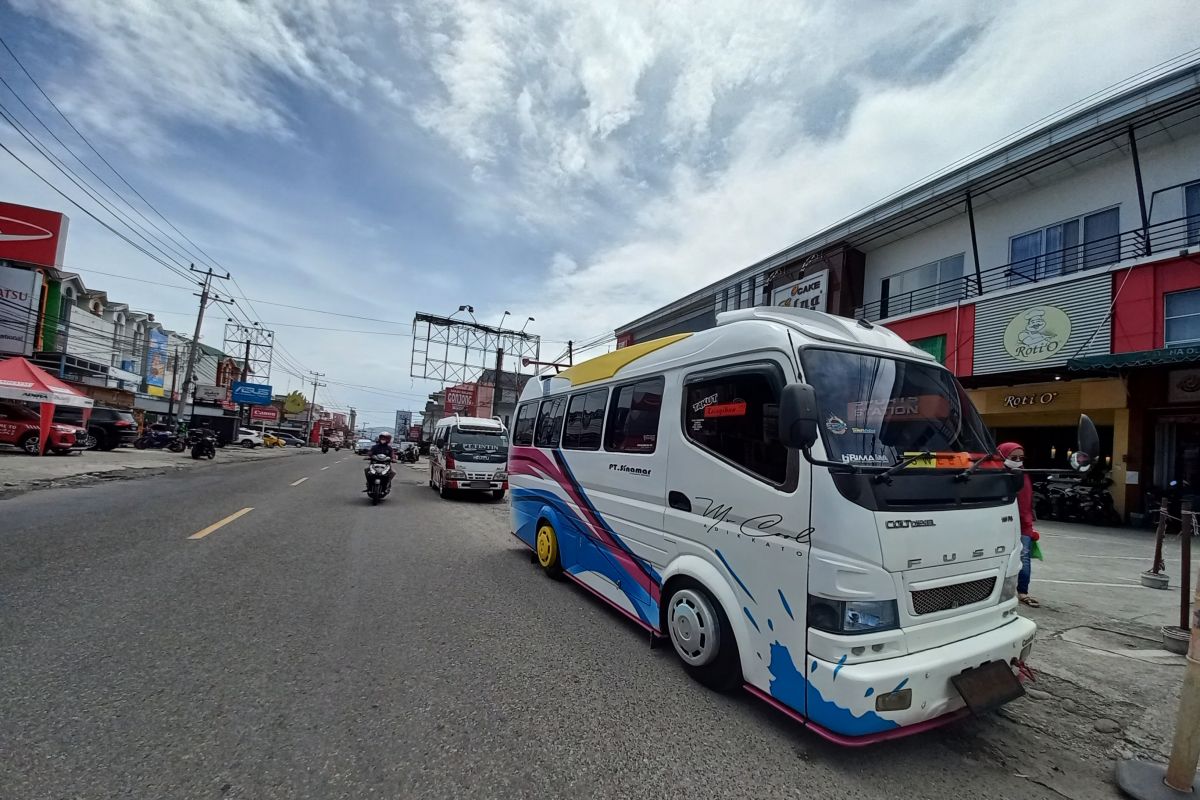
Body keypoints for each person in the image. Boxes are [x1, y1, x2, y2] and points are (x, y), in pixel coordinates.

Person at [998, 441, 1040, 608]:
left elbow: (1026, 501)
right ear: (1002, 456)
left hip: (1023, 524)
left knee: (1024, 558)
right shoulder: (996, 475)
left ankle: (1023, 592)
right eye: (1013, 457)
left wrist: (1028, 525)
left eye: (1020, 458)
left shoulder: (1023, 473)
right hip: (1000, 524)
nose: (1017, 460)